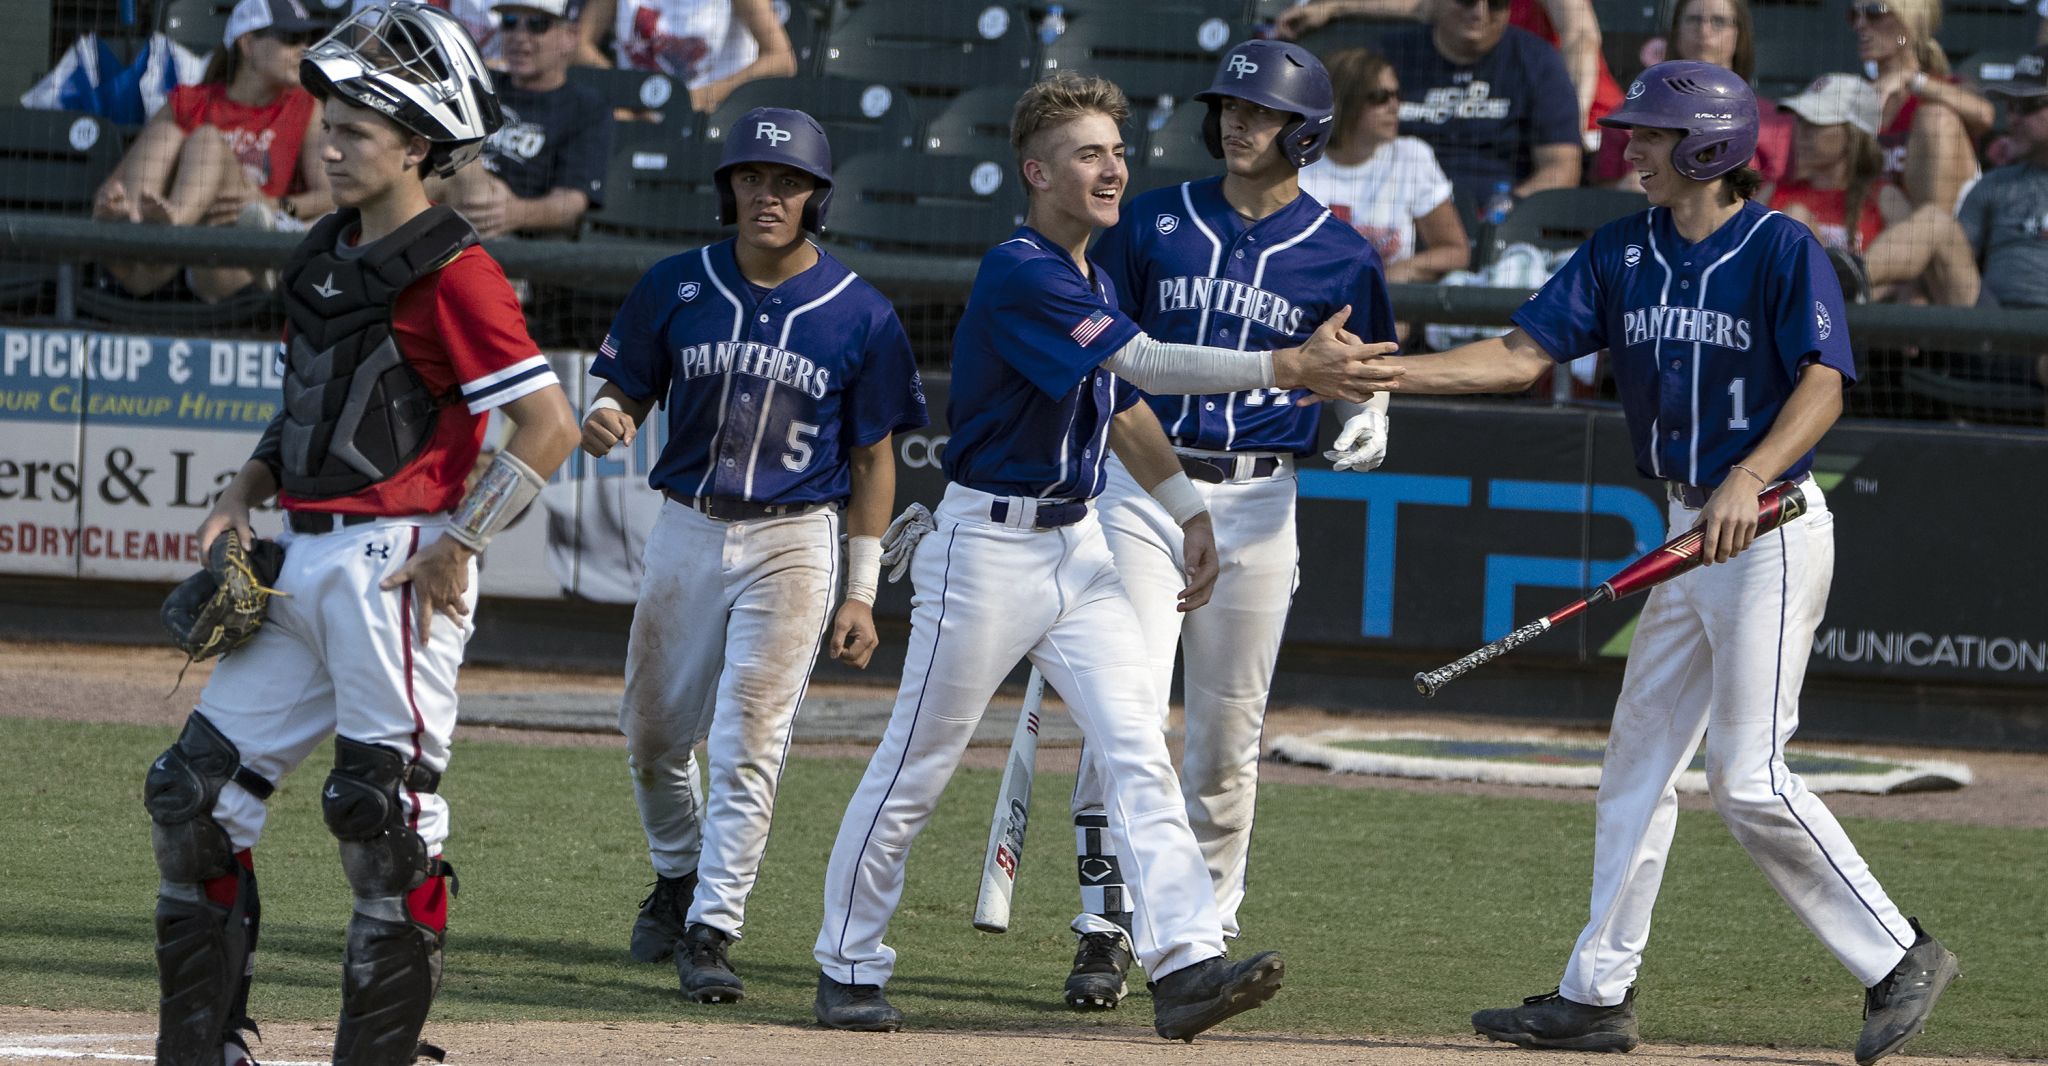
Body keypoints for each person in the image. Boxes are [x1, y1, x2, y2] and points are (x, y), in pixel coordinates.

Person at [1359, 60, 1960, 1066]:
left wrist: (1750, 472)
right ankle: (1596, 995)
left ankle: (1897, 954)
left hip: (1764, 527)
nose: (1627, 147)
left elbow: (1824, 384)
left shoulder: (1779, 250)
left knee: (1748, 775)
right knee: (1635, 763)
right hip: (1684, 533)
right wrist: (1384, 370)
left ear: (1709, 147)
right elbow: (1517, 355)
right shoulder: (1618, 249)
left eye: (1647, 134)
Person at [809, 71, 1399, 1039]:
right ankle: (848, 960)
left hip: (1076, 541)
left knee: (1136, 750)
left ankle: (1184, 962)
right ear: (1036, 171)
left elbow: (1119, 408)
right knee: (918, 763)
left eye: (1118, 152)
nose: (1112, 167)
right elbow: (1147, 368)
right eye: (1088, 153)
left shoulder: (1086, 271)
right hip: (984, 548)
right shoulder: (1021, 267)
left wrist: (1184, 512)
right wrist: (1285, 367)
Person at [138, 6, 578, 1064]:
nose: (327, 146)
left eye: (355, 133)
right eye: (325, 126)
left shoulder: (452, 267)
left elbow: (548, 423)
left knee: (378, 815)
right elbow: (312, 403)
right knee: (189, 796)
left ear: (417, 147)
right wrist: (240, 491)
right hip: (302, 554)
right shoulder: (328, 249)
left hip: (397, 564)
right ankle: (202, 1051)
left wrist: (461, 539)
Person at [1057, 40, 1401, 1013]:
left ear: (1305, 130)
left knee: (1224, 736)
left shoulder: (1340, 250)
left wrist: (1367, 413)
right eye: (1227, 108)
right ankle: (1103, 926)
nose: (1236, 124)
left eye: (1257, 111)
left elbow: (1362, 367)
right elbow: (1099, 349)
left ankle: (1199, 935)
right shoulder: (1151, 220)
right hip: (1143, 486)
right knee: (1119, 714)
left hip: (1259, 498)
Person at [585, 107, 928, 1003]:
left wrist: (863, 593)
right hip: (688, 526)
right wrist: (611, 412)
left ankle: (712, 927)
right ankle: (677, 873)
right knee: (654, 735)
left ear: (816, 196)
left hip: (794, 538)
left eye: (786, 182)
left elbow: (871, 459)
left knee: (748, 743)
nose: (767, 194)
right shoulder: (675, 284)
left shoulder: (860, 312)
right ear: (727, 186)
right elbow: (625, 386)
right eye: (751, 177)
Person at [91, 0, 332, 302]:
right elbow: (120, 179)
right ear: (248, 44)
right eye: (290, 38)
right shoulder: (190, 101)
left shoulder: (305, 105)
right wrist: (111, 203)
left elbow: (328, 194)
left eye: (306, 40)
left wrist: (274, 206)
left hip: (240, 255)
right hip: (162, 267)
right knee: (167, 135)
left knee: (206, 139)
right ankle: (144, 231)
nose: (303, 49)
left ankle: (169, 227)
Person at [1271, 0, 1621, 161]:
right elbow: (1426, 7)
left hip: (1582, 106)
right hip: (1501, 88)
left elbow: (1580, 36)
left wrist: (1574, 123)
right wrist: (1334, 7)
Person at [1765, 73, 1978, 306]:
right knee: (1795, 217)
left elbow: (1918, 275)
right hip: (1796, 315)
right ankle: (1836, 285)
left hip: (1861, 320)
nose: (1801, 132)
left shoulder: (1883, 196)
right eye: (1800, 120)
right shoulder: (1774, 192)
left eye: (1816, 123)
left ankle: (1844, 284)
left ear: (1852, 134)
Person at [1370, 0, 1583, 216]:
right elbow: (1350, 146)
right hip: (1396, 208)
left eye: (1496, 3)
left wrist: (1509, 208)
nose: (1479, 13)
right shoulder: (1389, 55)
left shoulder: (1539, 61)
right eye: (1467, 0)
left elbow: (1561, 166)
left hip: (1497, 216)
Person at [427, 0, 614, 237]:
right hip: (449, 209)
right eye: (510, 23)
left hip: (516, 236)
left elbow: (572, 202)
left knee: (463, 169)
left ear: (570, 36)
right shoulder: (481, 85)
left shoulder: (586, 106)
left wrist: (517, 212)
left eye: (537, 24)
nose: (519, 36)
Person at [1300, 46, 1469, 283]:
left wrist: (1400, 272)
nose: (1394, 106)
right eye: (1380, 98)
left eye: (1397, 95)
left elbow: (1455, 251)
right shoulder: (1300, 162)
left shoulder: (1411, 157)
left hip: (1386, 307)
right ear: (1345, 101)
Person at [1596, 0, 1793, 187]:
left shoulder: (1774, 121)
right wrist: (1625, 189)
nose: (1704, 31)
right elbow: (1602, 190)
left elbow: (1782, 194)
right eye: (1694, 20)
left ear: (1739, 34)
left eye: (1718, 21)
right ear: (1676, 30)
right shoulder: (1629, 113)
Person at [1956, 44, 2048, 403]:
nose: (2013, 118)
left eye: (2026, 106)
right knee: (1934, 229)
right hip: (1992, 329)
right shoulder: (1993, 184)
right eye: (2009, 106)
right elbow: (1954, 260)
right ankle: (1844, 286)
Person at [1848, 0, 1993, 211]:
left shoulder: (1949, 88)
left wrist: (1912, 80)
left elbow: (1984, 114)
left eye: (1874, 12)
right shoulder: (1852, 94)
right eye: (1854, 14)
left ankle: (1931, 240)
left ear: (1911, 22)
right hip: (1869, 223)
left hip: (1932, 225)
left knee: (1935, 117)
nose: (1859, 24)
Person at [576, 0, 796, 113]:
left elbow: (781, 60)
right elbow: (578, 46)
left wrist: (701, 98)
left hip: (714, 115)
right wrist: (627, 98)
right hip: (637, 115)